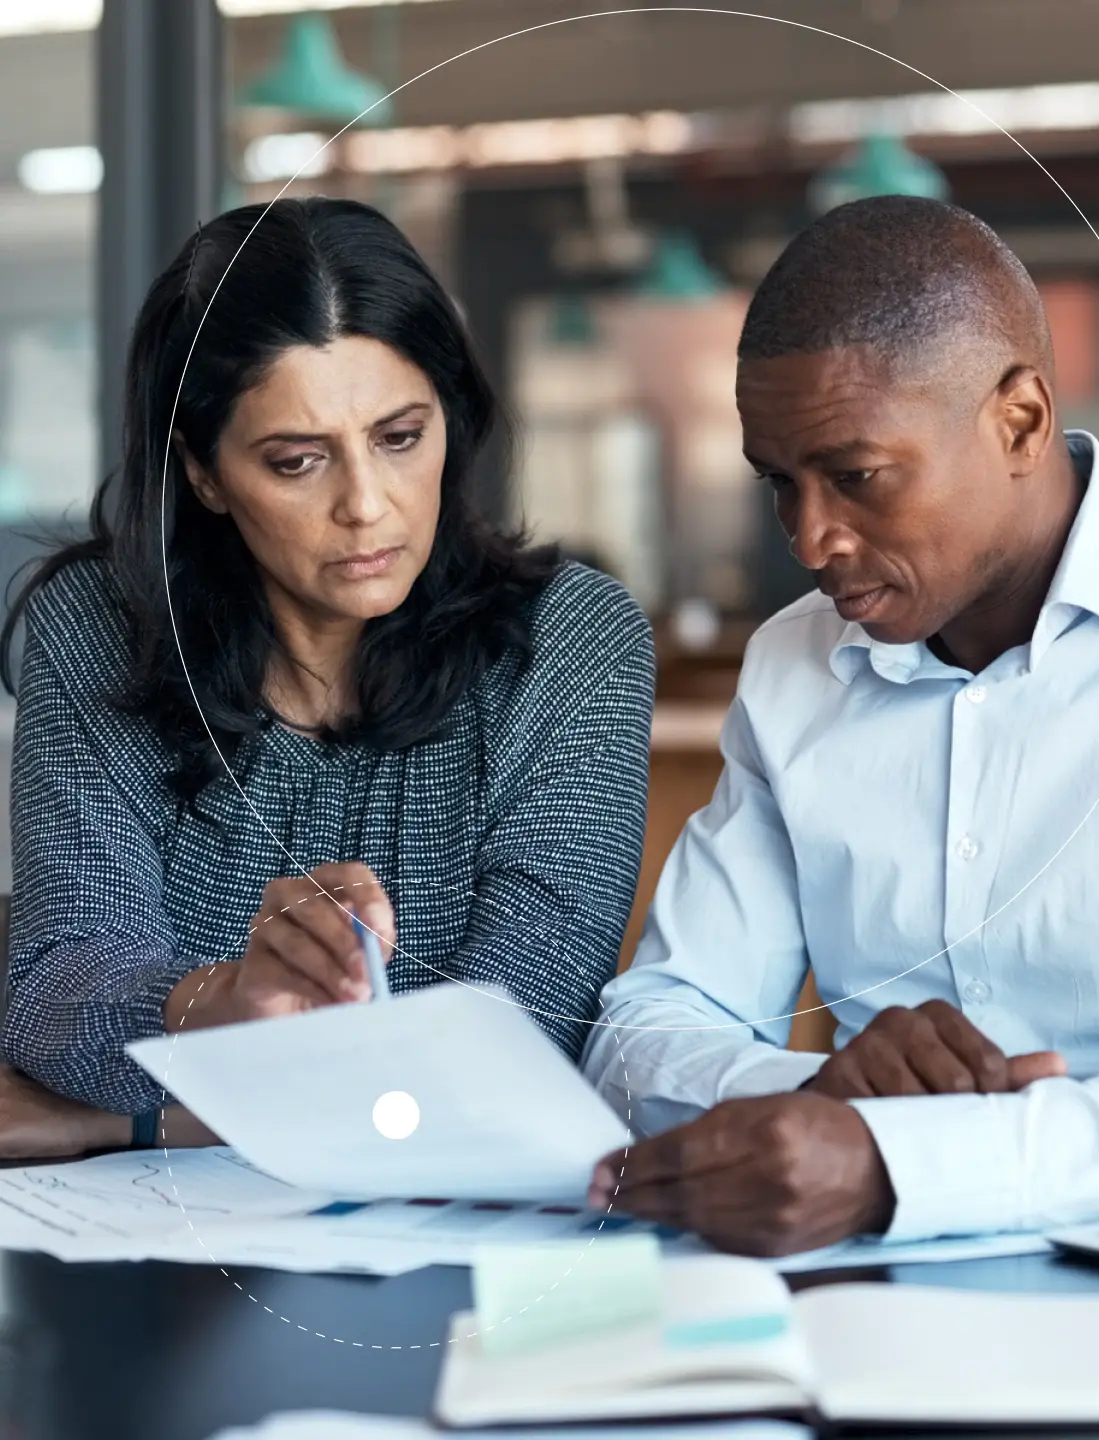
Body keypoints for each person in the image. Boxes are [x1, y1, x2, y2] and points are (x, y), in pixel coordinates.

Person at [583, 195, 1099, 1258]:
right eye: (778, 484)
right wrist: (817, 1096)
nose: (810, 536)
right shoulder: (796, 667)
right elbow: (648, 1031)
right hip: (874, 1309)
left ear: (1018, 421)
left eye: (855, 477)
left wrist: (906, 1163)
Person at [0, 197, 654, 1156]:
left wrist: (128, 1119)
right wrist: (228, 997)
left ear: (451, 418)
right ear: (205, 473)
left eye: (400, 437)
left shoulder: (571, 642)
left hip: (460, 1252)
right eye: (297, 460)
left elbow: (512, 1051)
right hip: (169, 1255)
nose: (366, 506)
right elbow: (57, 989)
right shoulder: (99, 629)